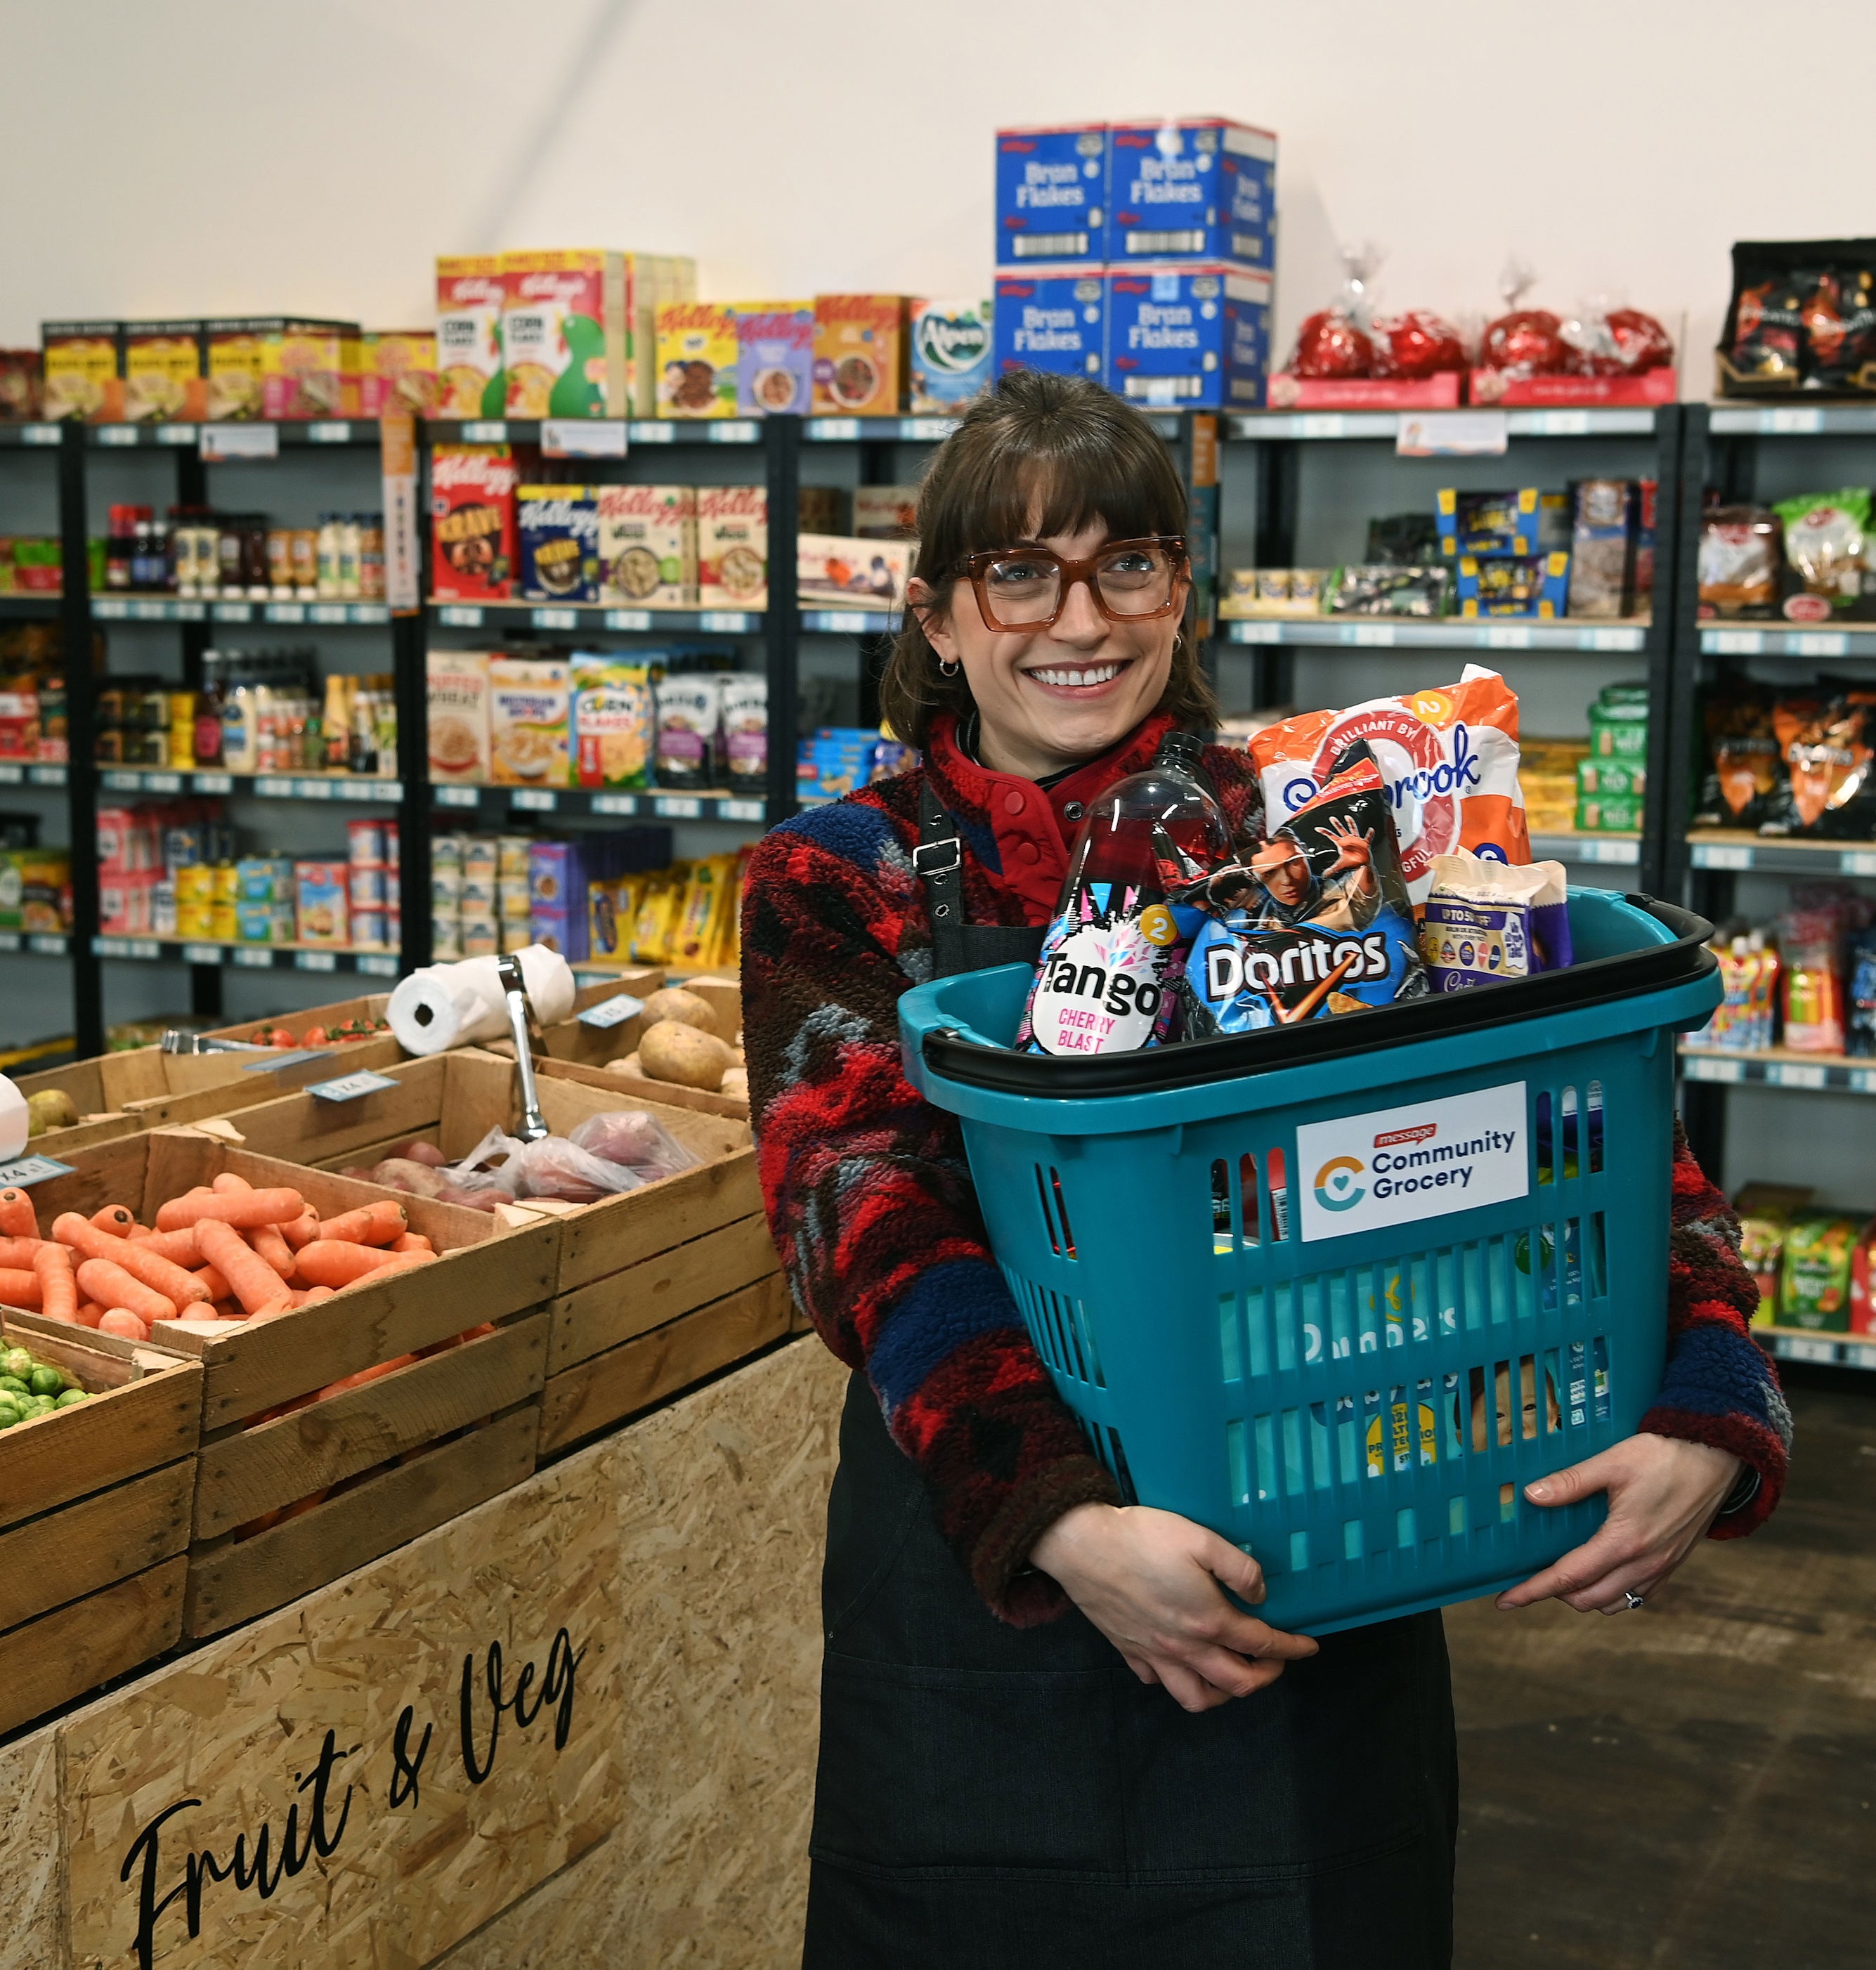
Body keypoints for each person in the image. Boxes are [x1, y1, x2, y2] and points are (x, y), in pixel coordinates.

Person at [738, 370, 1792, 1968]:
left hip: (1309, 1536)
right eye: (1018, 571)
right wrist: (1062, 1524)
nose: (1077, 617)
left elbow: (1572, 1113)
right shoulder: (840, 874)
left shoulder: (1314, 827)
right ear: (938, 616)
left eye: (1128, 563)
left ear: (1182, 589)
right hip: (986, 1576)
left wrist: (1713, 1391)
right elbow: (860, 1218)